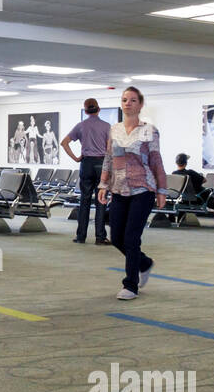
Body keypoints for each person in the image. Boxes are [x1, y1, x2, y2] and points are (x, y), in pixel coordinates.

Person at [98, 87, 167, 299]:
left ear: (140, 104)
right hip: (119, 189)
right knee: (116, 237)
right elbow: (108, 159)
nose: (128, 103)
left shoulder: (149, 131)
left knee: (131, 237)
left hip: (142, 188)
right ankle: (144, 263)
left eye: (133, 100)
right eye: (125, 100)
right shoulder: (114, 130)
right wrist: (103, 184)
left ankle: (130, 285)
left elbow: (155, 160)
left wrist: (161, 190)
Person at [63, 98, 111, 244]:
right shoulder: (107, 126)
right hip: (101, 163)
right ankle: (100, 237)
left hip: (86, 164)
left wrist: (76, 158)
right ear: (99, 109)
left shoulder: (81, 126)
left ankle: (81, 236)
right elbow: (110, 149)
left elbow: (64, 143)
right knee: (101, 201)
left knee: (84, 201)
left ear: (85, 111)